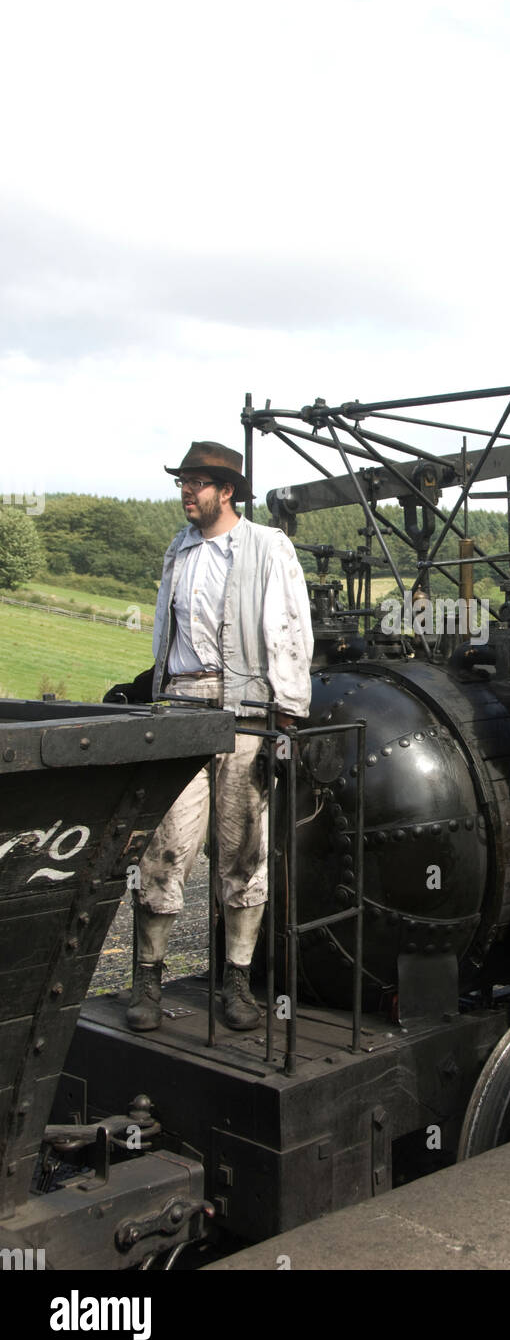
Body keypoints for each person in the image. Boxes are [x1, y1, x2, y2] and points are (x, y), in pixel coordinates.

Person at [106, 441, 313, 1033]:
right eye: (183, 482)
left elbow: (290, 628)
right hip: (178, 710)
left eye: (197, 483)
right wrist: (153, 692)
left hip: (245, 713)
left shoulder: (267, 547)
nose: (186, 493)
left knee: (244, 852)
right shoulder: (179, 550)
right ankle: (147, 978)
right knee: (164, 850)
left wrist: (288, 718)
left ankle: (238, 981)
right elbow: (164, 634)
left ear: (226, 491)